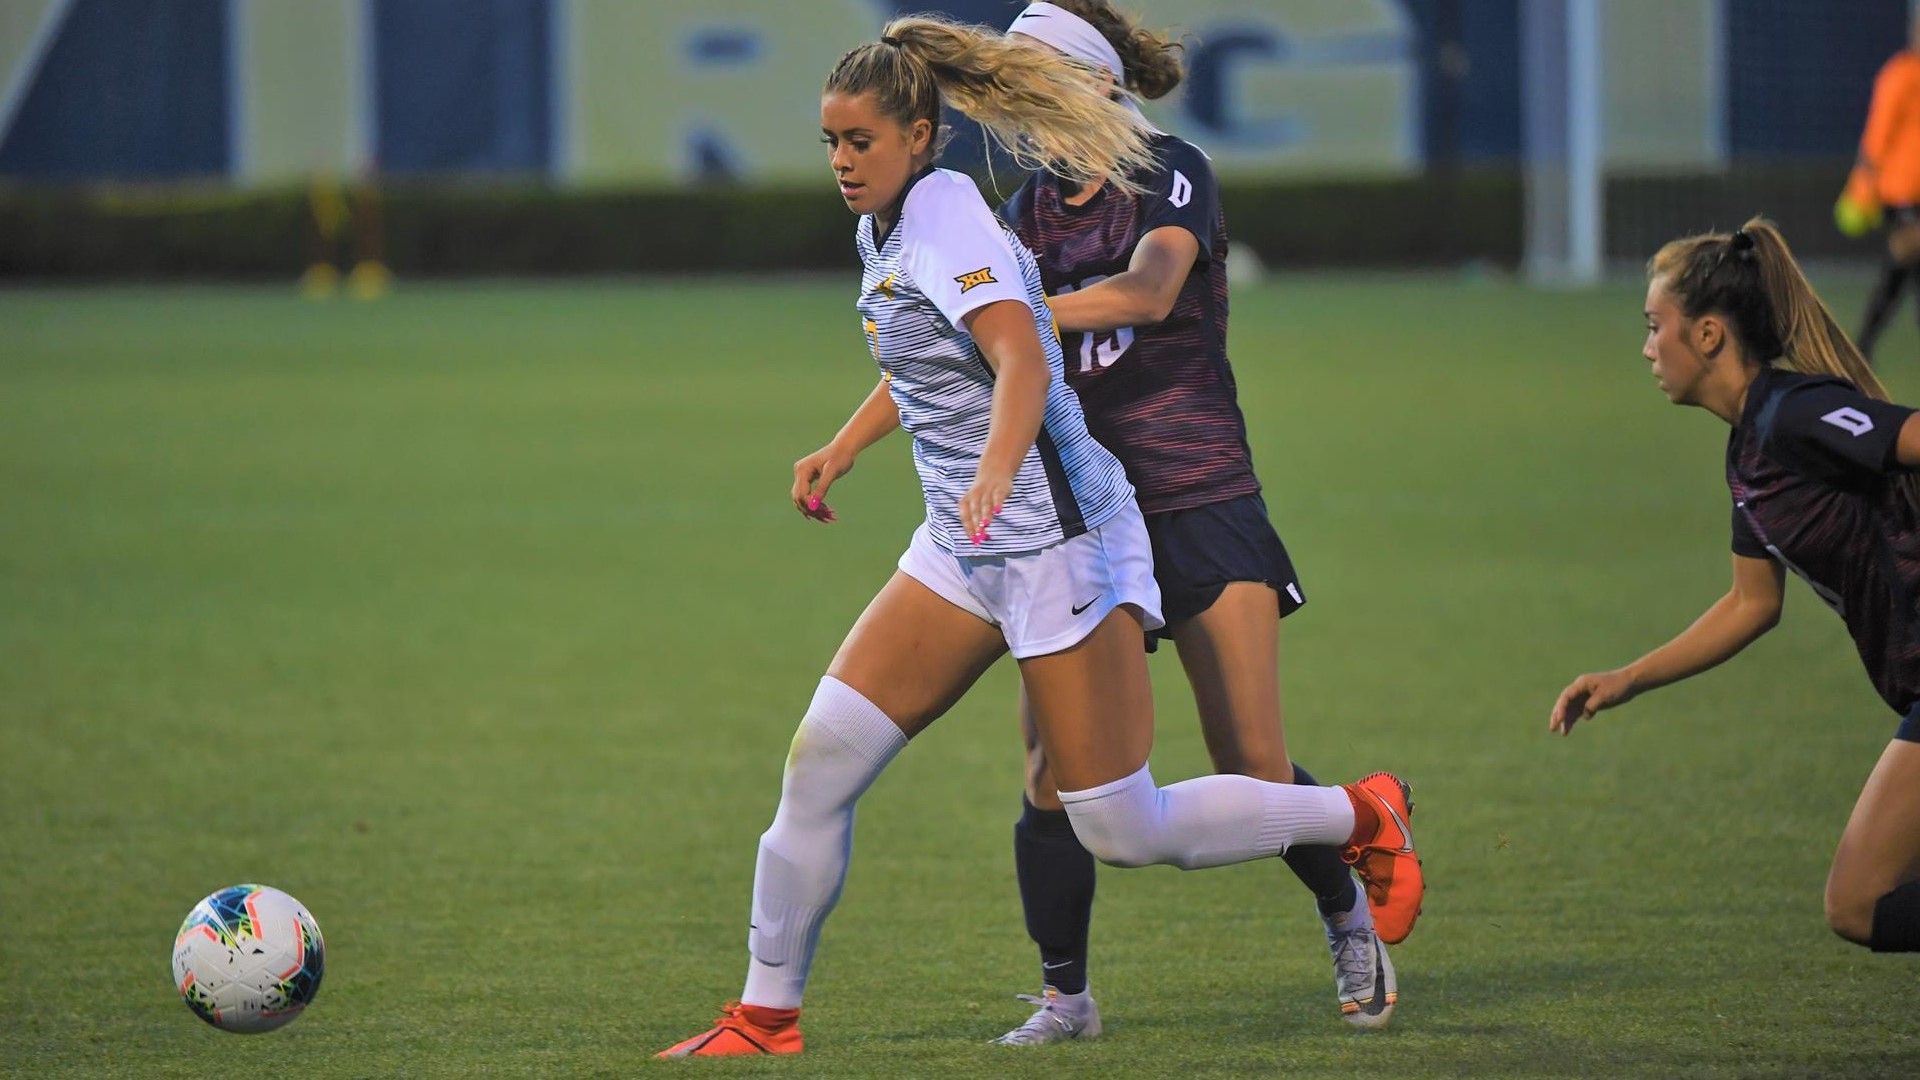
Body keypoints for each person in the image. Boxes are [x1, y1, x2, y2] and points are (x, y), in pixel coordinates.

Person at [655, 15, 1423, 1059]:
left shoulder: (990, 212)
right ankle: (765, 1017)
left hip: (1075, 533)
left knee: (1125, 824)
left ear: (919, 136)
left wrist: (998, 463)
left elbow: (1019, 356)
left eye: (858, 141)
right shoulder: (915, 220)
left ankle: (1358, 814)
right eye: (829, 142)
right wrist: (845, 445)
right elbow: (941, 349)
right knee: (822, 766)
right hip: (967, 543)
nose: (839, 161)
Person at [987, 1, 1402, 1044]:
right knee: (1055, 775)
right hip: (1084, 517)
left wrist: (1015, 308)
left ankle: (1348, 910)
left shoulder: (1171, 168)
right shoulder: (1028, 204)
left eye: (1033, 78)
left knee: (1252, 763)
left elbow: (1150, 289)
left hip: (1198, 494)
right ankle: (1066, 998)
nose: (1017, 103)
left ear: (1091, 80)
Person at [1551, 216, 1920, 956]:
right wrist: (1629, 679)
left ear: (1710, 334)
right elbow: (1752, 604)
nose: (1648, 347)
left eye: (1657, 326)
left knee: (1858, 902)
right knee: (1862, 901)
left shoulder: (1796, 413)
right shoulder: (1750, 450)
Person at [1849, 14, 1920, 359]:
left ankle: (1862, 347)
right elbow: (1877, 135)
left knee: (1905, 270)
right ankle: (1861, 346)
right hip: (1903, 191)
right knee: (1903, 258)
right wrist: (1864, 186)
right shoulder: (1900, 74)